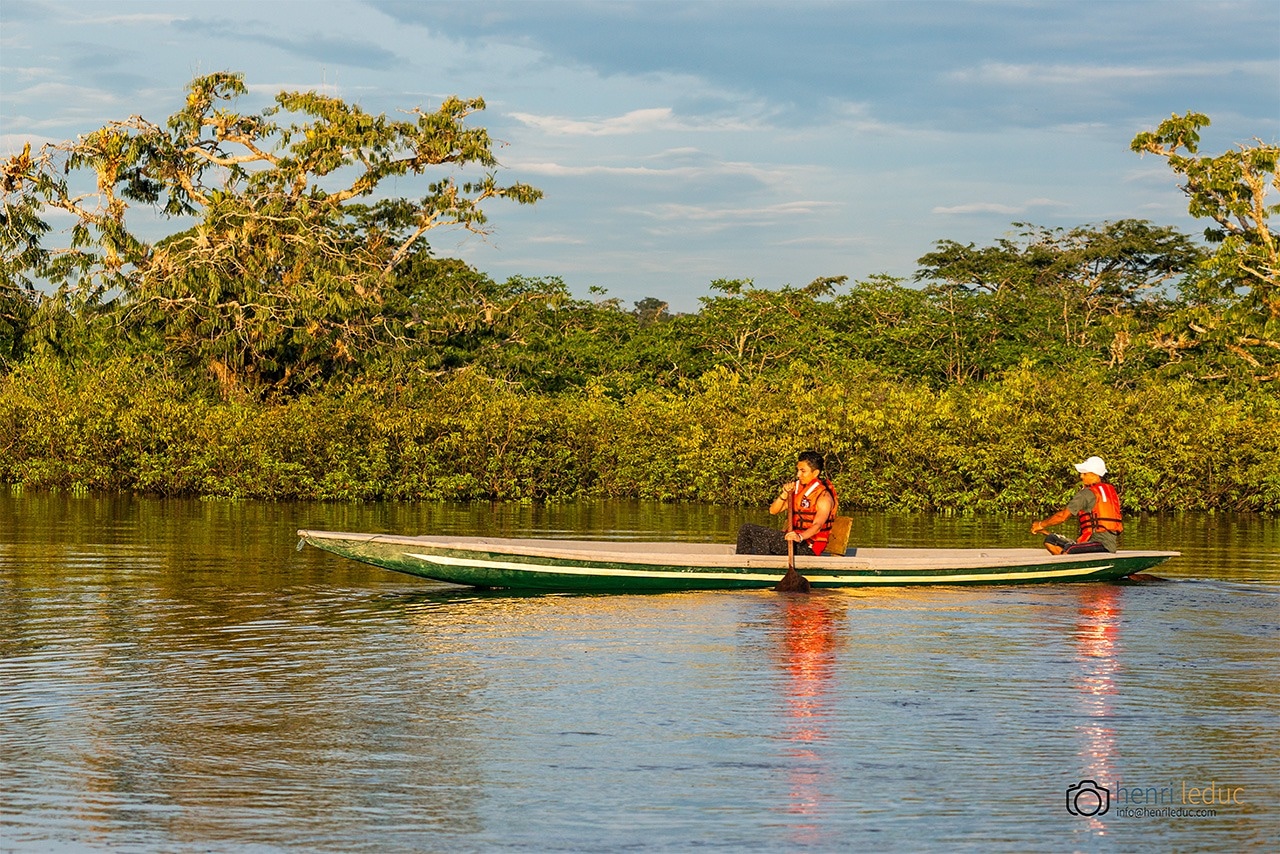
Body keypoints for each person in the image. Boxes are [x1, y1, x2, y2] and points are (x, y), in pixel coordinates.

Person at [736, 451, 837, 556]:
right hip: (791, 541)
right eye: (798, 470)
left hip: (807, 547)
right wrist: (784, 494)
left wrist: (800, 537)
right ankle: (743, 565)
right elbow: (773, 511)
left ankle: (766, 566)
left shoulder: (824, 497)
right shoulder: (798, 491)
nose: (798, 475)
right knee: (746, 529)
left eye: (803, 471)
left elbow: (818, 525)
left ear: (815, 473)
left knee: (762, 536)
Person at [1031, 456, 1124, 554]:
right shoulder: (1110, 490)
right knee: (1050, 540)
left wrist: (1041, 524)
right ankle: (1066, 562)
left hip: (1101, 544)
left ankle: (1066, 565)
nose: (1081, 476)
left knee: (1069, 549)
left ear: (1094, 475)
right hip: (1101, 543)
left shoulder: (1086, 493)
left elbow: (1062, 516)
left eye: (1085, 474)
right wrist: (1042, 530)